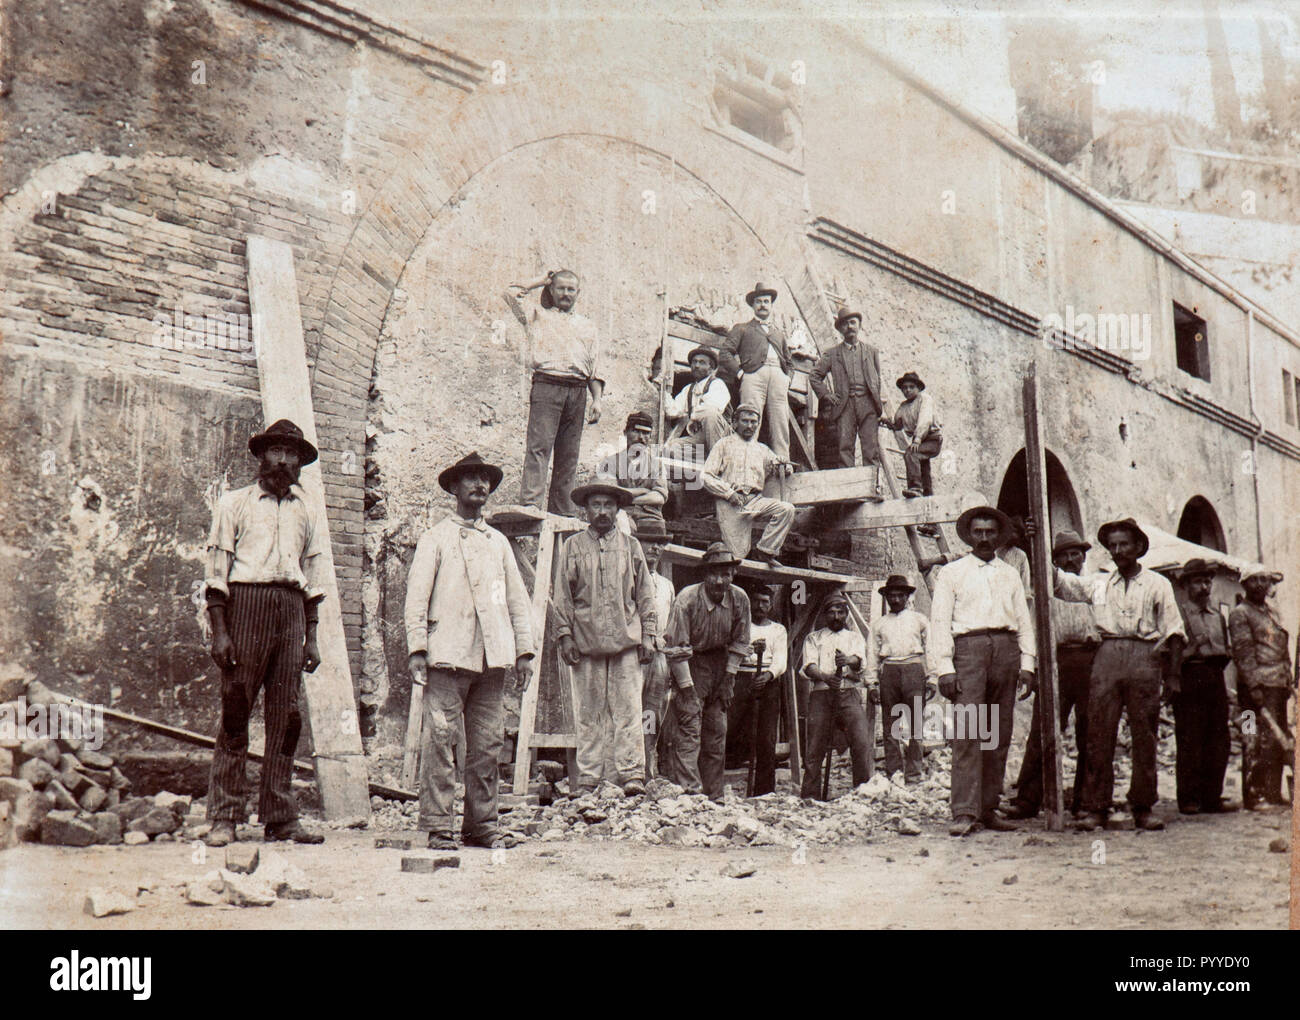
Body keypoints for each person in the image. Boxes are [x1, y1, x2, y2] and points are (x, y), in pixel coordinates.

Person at [203, 419, 327, 847]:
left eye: (293, 455)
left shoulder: (307, 509)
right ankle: (224, 816)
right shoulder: (233, 504)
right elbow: (216, 575)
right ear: (261, 456)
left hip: (291, 611)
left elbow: (312, 577)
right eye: (277, 452)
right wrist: (221, 632)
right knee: (236, 712)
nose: (284, 461)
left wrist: (311, 636)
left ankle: (279, 816)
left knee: (286, 718)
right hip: (246, 607)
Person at [404, 452, 534, 850]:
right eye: (470, 479)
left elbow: (517, 600)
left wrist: (524, 651)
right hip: (448, 654)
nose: (479, 486)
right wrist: (417, 648)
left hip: (492, 660)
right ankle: (439, 826)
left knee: (488, 746)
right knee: (441, 743)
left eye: (485, 480)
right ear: (454, 488)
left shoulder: (498, 543)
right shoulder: (436, 537)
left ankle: (482, 825)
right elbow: (417, 596)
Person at [1052, 518, 1186, 832]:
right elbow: (1061, 584)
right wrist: (1034, 548)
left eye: (1124, 544)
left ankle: (1143, 807)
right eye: (1112, 545)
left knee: (1144, 733)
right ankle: (1096, 807)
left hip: (1144, 655)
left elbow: (1175, 632)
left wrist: (1174, 675)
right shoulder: (1099, 584)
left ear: (1138, 547)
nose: (1117, 550)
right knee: (1099, 732)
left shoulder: (1157, 584)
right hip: (1107, 654)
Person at [929, 505, 1037, 836]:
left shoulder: (1010, 573)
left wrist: (1028, 664)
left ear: (999, 535)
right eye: (979, 532)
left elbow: (1023, 620)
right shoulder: (953, 572)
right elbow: (939, 622)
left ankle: (988, 808)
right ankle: (964, 811)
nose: (985, 538)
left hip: (1005, 652)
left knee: (999, 733)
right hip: (968, 651)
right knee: (967, 732)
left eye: (991, 532)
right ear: (970, 535)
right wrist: (944, 668)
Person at [553, 481, 658, 796]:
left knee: (628, 710)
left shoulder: (631, 546)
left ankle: (632, 776)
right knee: (589, 713)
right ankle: (588, 778)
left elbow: (644, 596)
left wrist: (649, 636)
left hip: (626, 640)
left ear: (617, 509)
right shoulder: (572, 546)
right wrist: (565, 636)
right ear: (586, 509)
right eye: (596, 505)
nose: (602, 511)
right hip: (586, 643)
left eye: (608, 505)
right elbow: (562, 596)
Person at [1005, 529, 1099, 820]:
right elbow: (1032, 629)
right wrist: (1031, 669)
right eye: (1064, 555)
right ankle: (1028, 800)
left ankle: (1086, 800)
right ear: (1056, 560)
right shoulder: (1049, 588)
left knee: (1090, 731)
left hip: (1090, 660)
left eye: (1076, 553)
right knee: (1043, 731)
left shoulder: (1097, 584)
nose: (1072, 559)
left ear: (1084, 556)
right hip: (1056, 661)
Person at [505, 269, 604, 516]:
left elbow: (595, 367)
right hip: (547, 385)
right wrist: (539, 280)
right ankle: (530, 504)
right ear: (551, 290)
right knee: (539, 448)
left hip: (578, 390)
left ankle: (562, 511)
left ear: (578, 293)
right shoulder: (538, 315)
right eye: (560, 288)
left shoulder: (588, 326)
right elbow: (509, 294)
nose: (565, 294)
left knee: (568, 456)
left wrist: (597, 400)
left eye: (571, 289)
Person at [661, 543, 752, 799]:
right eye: (714, 574)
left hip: (721, 664)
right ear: (704, 575)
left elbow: (740, 642)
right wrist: (687, 689)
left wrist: (730, 678)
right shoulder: (686, 600)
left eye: (726, 574)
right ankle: (689, 793)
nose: (719, 581)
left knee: (716, 732)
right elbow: (677, 649)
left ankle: (714, 796)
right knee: (690, 729)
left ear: (732, 575)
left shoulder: (739, 599)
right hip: (691, 662)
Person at [799, 591, 876, 800]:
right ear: (825, 615)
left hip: (848, 693)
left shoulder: (854, 637)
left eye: (840, 612)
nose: (836, 616)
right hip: (821, 694)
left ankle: (862, 792)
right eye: (831, 612)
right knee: (814, 746)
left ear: (846, 614)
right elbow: (808, 666)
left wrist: (848, 660)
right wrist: (825, 676)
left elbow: (860, 661)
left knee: (861, 740)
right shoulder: (814, 638)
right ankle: (810, 796)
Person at [700, 402, 796, 565]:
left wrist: (784, 465)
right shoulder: (724, 444)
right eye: (745, 421)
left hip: (755, 500)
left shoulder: (762, 449)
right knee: (737, 555)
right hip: (731, 503)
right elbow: (705, 477)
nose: (750, 425)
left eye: (754, 422)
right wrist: (729, 494)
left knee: (786, 509)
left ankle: (765, 550)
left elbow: (783, 467)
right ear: (735, 422)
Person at [1172, 558, 1233, 814]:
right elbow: (1170, 655)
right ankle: (1189, 798)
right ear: (1186, 585)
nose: (1204, 586)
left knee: (1218, 738)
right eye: (1198, 581)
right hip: (1190, 677)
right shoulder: (1178, 615)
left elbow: (1226, 649)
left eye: (1207, 581)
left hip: (1215, 678)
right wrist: (1192, 649)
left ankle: (1212, 797)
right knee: (1190, 738)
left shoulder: (1219, 616)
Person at [1229, 566, 1292, 809]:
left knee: (1275, 740)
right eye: (1254, 580)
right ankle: (1253, 795)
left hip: (1276, 685)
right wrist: (1253, 686)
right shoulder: (1240, 614)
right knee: (1251, 738)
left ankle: (1272, 791)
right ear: (1244, 585)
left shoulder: (1271, 612)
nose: (1260, 585)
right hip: (1252, 690)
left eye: (1264, 581)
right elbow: (1243, 652)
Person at [866, 574, 935, 785]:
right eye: (891, 596)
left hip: (914, 670)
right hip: (889, 671)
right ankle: (894, 772)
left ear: (907, 597)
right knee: (890, 725)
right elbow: (871, 654)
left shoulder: (920, 619)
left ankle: (914, 773)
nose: (895, 600)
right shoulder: (878, 624)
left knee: (915, 725)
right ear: (886, 597)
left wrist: (932, 677)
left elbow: (931, 649)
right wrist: (872, 683)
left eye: (900, 596)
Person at [809, 308, 884, 500]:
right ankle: (849, 492)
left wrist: (876, 402)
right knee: (845, 447)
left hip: (867, 404)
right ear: (840, 329)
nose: (849, 327)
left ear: (859, 326)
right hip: (845, 406)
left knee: (870, 448)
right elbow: (815, 376)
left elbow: (877, 379)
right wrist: (826, 395)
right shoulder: (833, 354)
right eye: (845, 324)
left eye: (853, 322)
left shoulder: (872, 352)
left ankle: (873, 490)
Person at [726, 585, 788, 796]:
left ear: (770, 605)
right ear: (750, 603)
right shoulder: (740, 625)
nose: (760, 606)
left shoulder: (778, 630)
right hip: (741, 677)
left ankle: (763, 792)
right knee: (731, 729)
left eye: (765, 602)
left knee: (766, 737)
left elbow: (781, 660)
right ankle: (723, 787)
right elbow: (729, 651)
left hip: (768, 682)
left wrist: (768, 675)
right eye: (756, 601)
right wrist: (747, 650)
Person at [721, 282, 793, 461]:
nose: (762, 305)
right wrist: (740, 373)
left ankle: (782, 460)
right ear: (753, 305)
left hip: (778, 376)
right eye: (759, 301)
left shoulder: (779, 333)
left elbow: (790, 362)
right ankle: (746, 458)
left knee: (780, 418)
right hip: (753, 375)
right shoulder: (742, 328)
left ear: (771, 305)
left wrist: (787, 379)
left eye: (766, 301)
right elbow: (725, 353)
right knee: (750, 416)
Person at [634, 518, 676, 777]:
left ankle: (648, 767)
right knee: (630, 708)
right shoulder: (629, 576)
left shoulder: (666, 585)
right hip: (634, 653)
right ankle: (629, 768)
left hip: (658, 656)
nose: (655, 549)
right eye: (650, 542)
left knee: (652, 710)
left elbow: (670, 622)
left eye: (660, 544)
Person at [596, 411, 668, 535]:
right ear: (625, 433)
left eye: (646, 433)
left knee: (656, 534)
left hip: (650, 517)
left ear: (650, 436)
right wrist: (644, 491)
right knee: (618, 527)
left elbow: (659, 497)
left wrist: (626, 498)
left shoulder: (657, 465)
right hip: (620, 514)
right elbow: (610, 492)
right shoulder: (611, 462)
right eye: (635, 431)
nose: (641, 437)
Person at [663, 345, 732, 465]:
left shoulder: (717, 384)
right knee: (673, 448)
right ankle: (708, 461)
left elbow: (712, 408)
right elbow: (673, 411)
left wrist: (692, 418)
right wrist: (662, 390)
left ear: (711, 368)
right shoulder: (689, 389)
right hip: (701, 440)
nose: (696, 366)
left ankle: (719, 464)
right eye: (694, 362)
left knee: (710, 414)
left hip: (722, 438)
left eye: (702, 362)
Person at [887, 372, 942, 498]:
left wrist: (917, 439)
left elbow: (925, 420)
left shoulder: (925, 399)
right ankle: (927, 494)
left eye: (911, 387)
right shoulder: (903, 406)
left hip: (932, 439)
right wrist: (888, 423)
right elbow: (898, 424)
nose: (908, 390)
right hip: (920, 440)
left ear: (918, 388)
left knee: (911, 454)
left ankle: (915, 488)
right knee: (923, 465)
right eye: (905, 388)